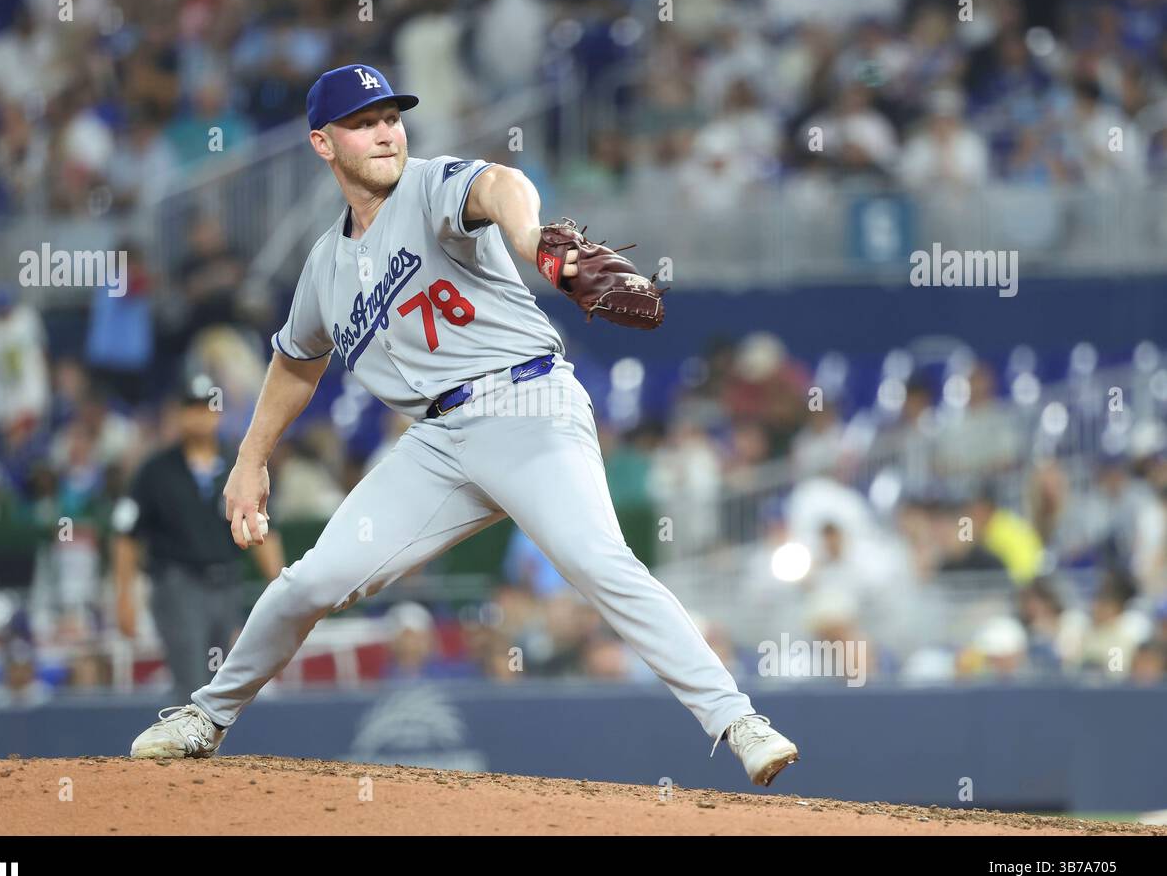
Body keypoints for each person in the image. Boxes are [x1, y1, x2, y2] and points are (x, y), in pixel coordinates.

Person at [130, 63, 799, 786]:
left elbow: (499, 187)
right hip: (437, 444)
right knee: (306, 583)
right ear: (324, 144)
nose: (386, 132)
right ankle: (206, 715)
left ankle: (738, 722)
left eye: (391, 116)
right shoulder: (325, 266)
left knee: (599, 562)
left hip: (527, 405)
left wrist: (534, 235)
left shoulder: (431, 182)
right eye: (364, 122)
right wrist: (250, 458)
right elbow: (297, 360)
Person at [112, 374, 285, 701]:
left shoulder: (238, 467)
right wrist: (124, 597)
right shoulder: (155, 470)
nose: (199, 416)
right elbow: (126, 535)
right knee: (191, 679)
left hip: (227, 585)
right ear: (178, 414)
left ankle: (201, 747)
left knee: (221, 680)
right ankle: (183, 750)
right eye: (191, 407)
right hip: (178, 585)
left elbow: (264, 526)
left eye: (206, 407)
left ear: (217, 413)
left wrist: (279, 585)